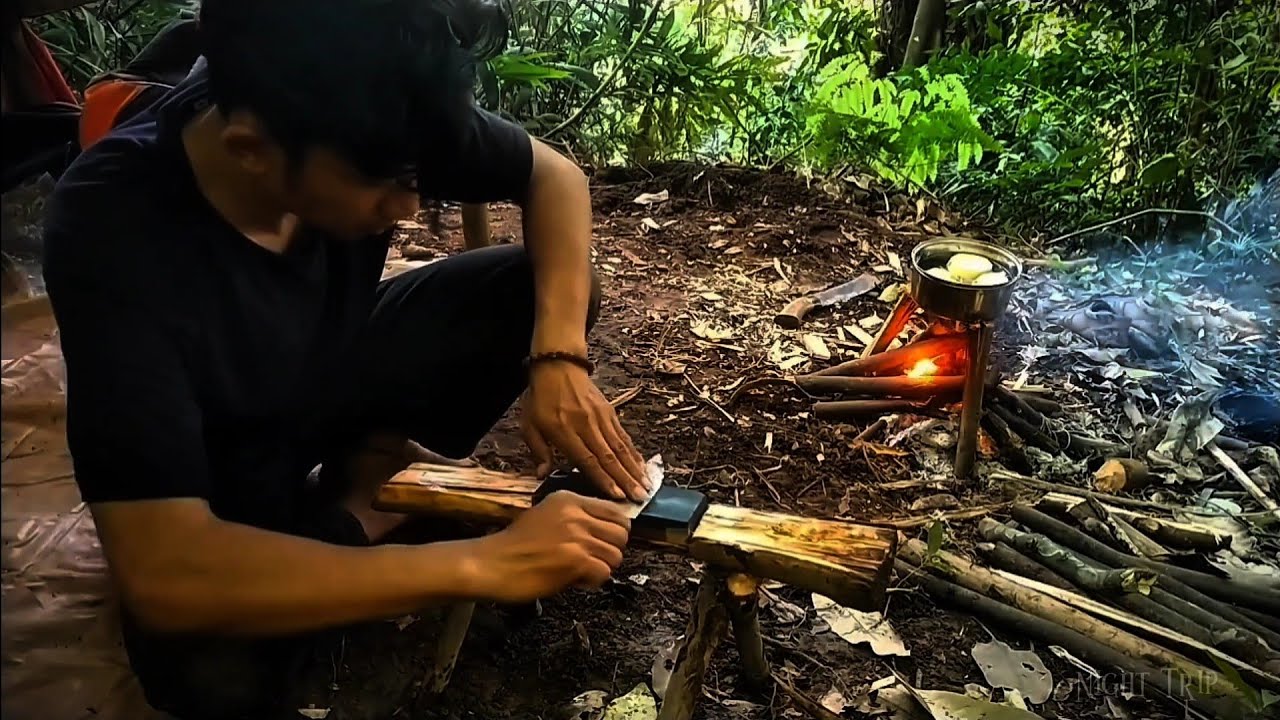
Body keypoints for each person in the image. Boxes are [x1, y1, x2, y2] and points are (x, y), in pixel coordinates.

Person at [40, 1, 650, 717]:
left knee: (525, 291)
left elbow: (557, 179)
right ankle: (350, 520)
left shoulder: (371, 111)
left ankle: (368, 473)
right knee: (214, 672)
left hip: (325, 370)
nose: (411, 206)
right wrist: (481, 564)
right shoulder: (114, 228)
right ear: (250, 149)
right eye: (389, 184)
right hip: (222, 460)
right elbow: (165, 571)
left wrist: (557, 359)